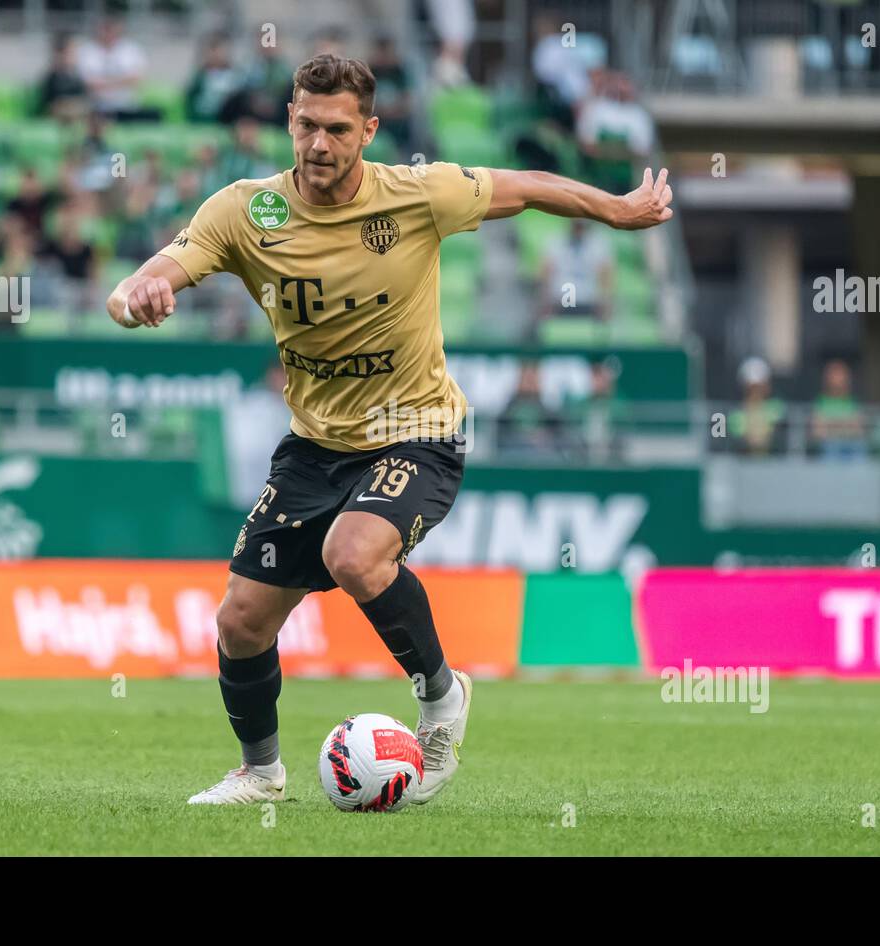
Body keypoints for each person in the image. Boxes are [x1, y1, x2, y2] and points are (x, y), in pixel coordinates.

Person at [105, 54, 674, 807]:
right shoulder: (246, 212)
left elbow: (529, 186)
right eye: (306, 125)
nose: (318, 144)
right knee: (240, 622)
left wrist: (615, 208)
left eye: (338, 130)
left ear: (368, 130)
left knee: (353, 553)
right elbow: (140, 282)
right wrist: (134, 298)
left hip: (418, 430)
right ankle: (262, 774)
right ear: (289, 119)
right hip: (315, 447)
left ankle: (441, 697)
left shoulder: (418, 195)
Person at [809, 358, 866, 459]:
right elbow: (817, 432)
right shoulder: (820, 402)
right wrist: (844, 425)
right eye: (834, 375)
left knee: (860, 449)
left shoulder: (853, 402)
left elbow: (859, 431)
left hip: (851, 447)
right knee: (831, 449)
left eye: (841, 375)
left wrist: (832, 424)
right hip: (829, 447)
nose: (838, 379)